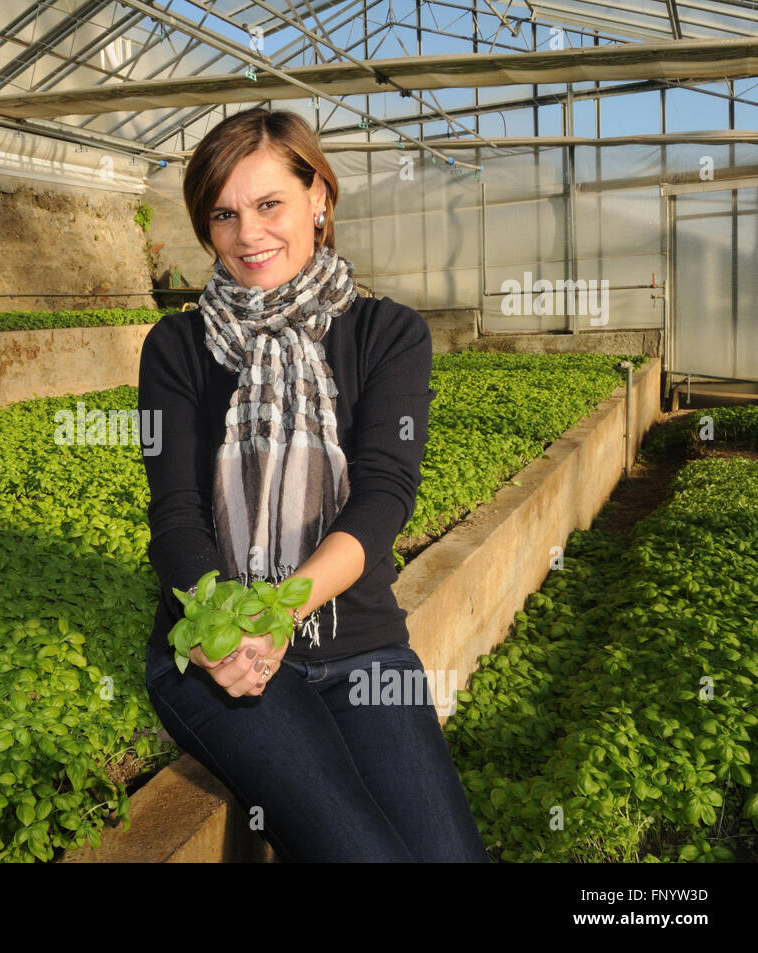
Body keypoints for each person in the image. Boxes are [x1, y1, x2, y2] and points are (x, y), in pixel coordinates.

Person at [136, 107, 490, 862]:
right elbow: (175, 516)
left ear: (319, 198)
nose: (248, 235)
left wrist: (282, 607)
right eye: (224, 215)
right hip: (222, 652)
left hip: (359, 647)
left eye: (270, 205)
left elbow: (384, 496)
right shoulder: (176, 347)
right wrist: (226, 626)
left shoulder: (387, 334)